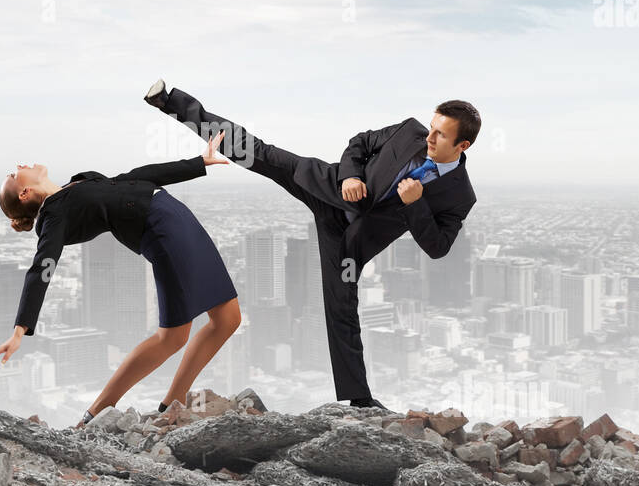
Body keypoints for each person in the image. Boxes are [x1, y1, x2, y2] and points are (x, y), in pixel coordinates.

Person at [144, 78, 479, 411]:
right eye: (432, 127)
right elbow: (359, 144)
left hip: (349, 244)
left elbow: (438, 247)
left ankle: (359, 400)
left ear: (462, 145)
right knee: (257, 152)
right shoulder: (409, 131)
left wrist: (415, 204)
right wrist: (351, 176)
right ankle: (172, 102)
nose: (429, 137)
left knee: (342, 309)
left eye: (440, 135)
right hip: (326, 187)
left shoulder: (459, 196)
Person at [0, 130, 241, 429]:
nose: (21, 164)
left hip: (177, 215)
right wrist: (20, 329)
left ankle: (173, 404)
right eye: (16, 173)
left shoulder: (75, 185)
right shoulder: (54, 216)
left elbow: (135, 177)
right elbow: (43, 266)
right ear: (24, 193)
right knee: (172, 337)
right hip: (163, 232)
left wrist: (198, 163)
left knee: (228, 319)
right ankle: (98, 413)